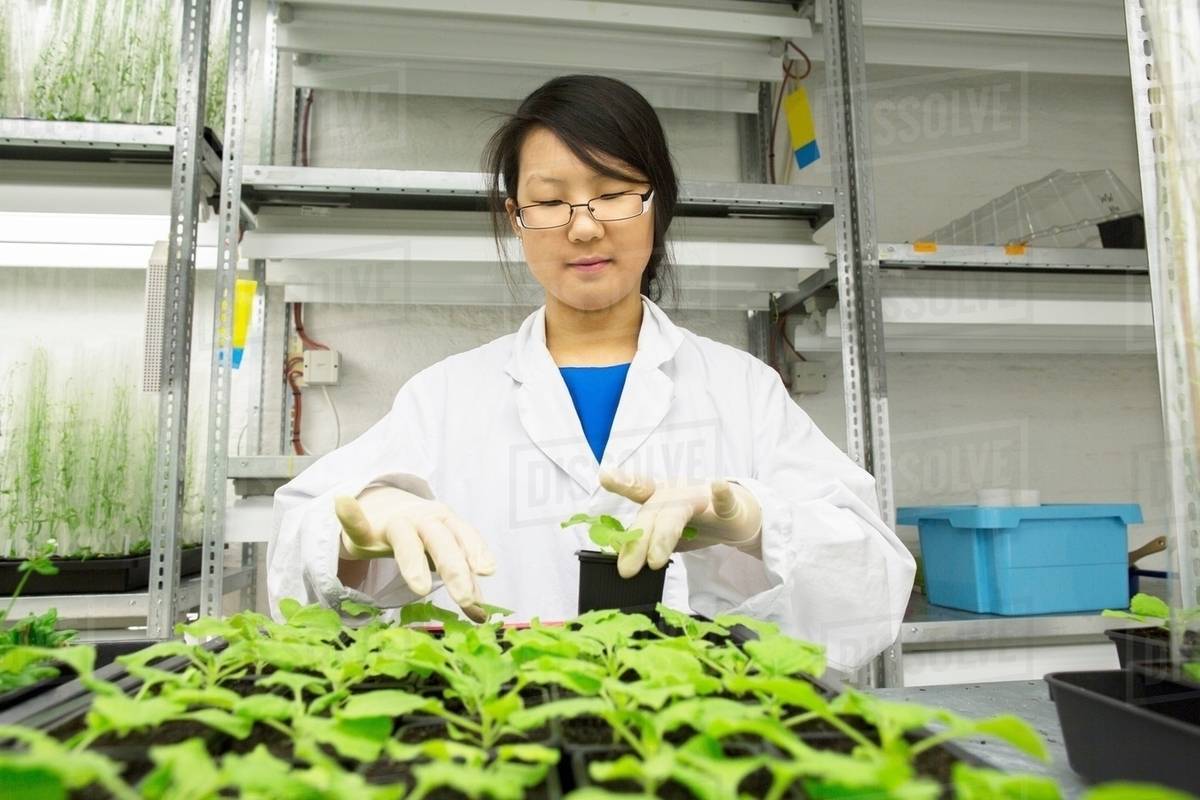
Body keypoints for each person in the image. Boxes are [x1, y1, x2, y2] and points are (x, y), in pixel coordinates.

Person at [269, 74, 915, 672]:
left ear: (656, 206)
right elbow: (291, 561)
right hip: (502, 749)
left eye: (612, 195)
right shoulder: (444, 399)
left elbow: (877, 587)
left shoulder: (742, 392)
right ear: (514, 220)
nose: (583, 228)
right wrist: (358, 529)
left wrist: (756, 521)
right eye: (550, 202)